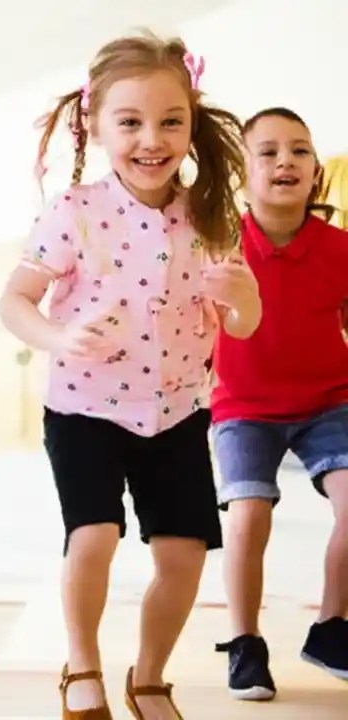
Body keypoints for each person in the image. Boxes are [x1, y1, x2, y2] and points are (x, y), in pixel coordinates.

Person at [0, 32, 256, 720]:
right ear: (95, 123)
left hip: (176, 411)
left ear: (191, 123)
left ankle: (149, 677)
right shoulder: (75, 211)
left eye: (171, 121)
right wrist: (59, 336)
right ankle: (82, 664)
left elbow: (241, 324)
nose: (152, 139)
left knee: (185, 556)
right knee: (95, 536)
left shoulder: (208, 215)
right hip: (84, 408)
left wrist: (246, 300)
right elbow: (14, 301)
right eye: (131, 121)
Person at [211, 107, 348, 701]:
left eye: (299, 150)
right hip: (243, 408)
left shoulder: (340, 248)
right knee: (248, 514)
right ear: (243, 171)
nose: (284, 161)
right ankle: (245, 641)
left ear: (315, 171)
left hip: (330, 403)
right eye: (267, 152)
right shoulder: (219, 246)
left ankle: (332, 626)